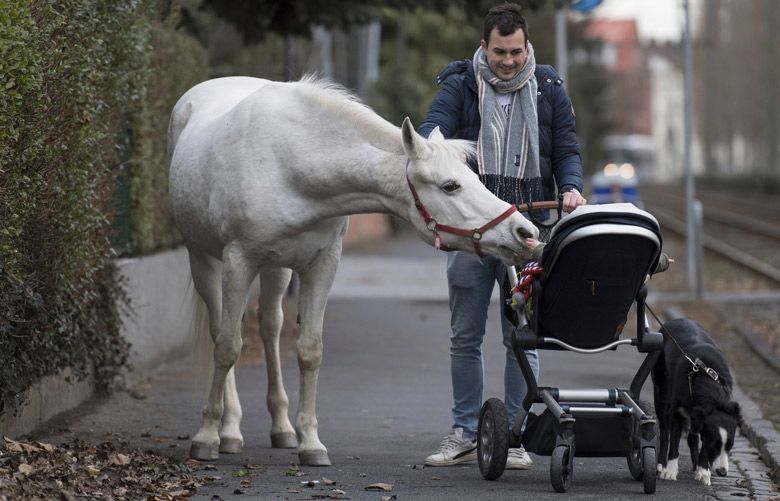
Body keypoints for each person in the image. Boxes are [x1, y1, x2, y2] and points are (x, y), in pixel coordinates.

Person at [418, 3, 587, 469]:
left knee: (524, 337)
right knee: (465, 335)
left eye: (516, 51)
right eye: (499, 52)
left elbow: (567, 147)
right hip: (473, 231)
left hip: (529, 228)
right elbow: (435, 128)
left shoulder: (548, 87)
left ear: (527, 46)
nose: (508, 61)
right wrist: (431, 144)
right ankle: (466, 432)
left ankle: (513, 435)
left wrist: (570, 186)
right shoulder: (460, 84)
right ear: (483, 47)